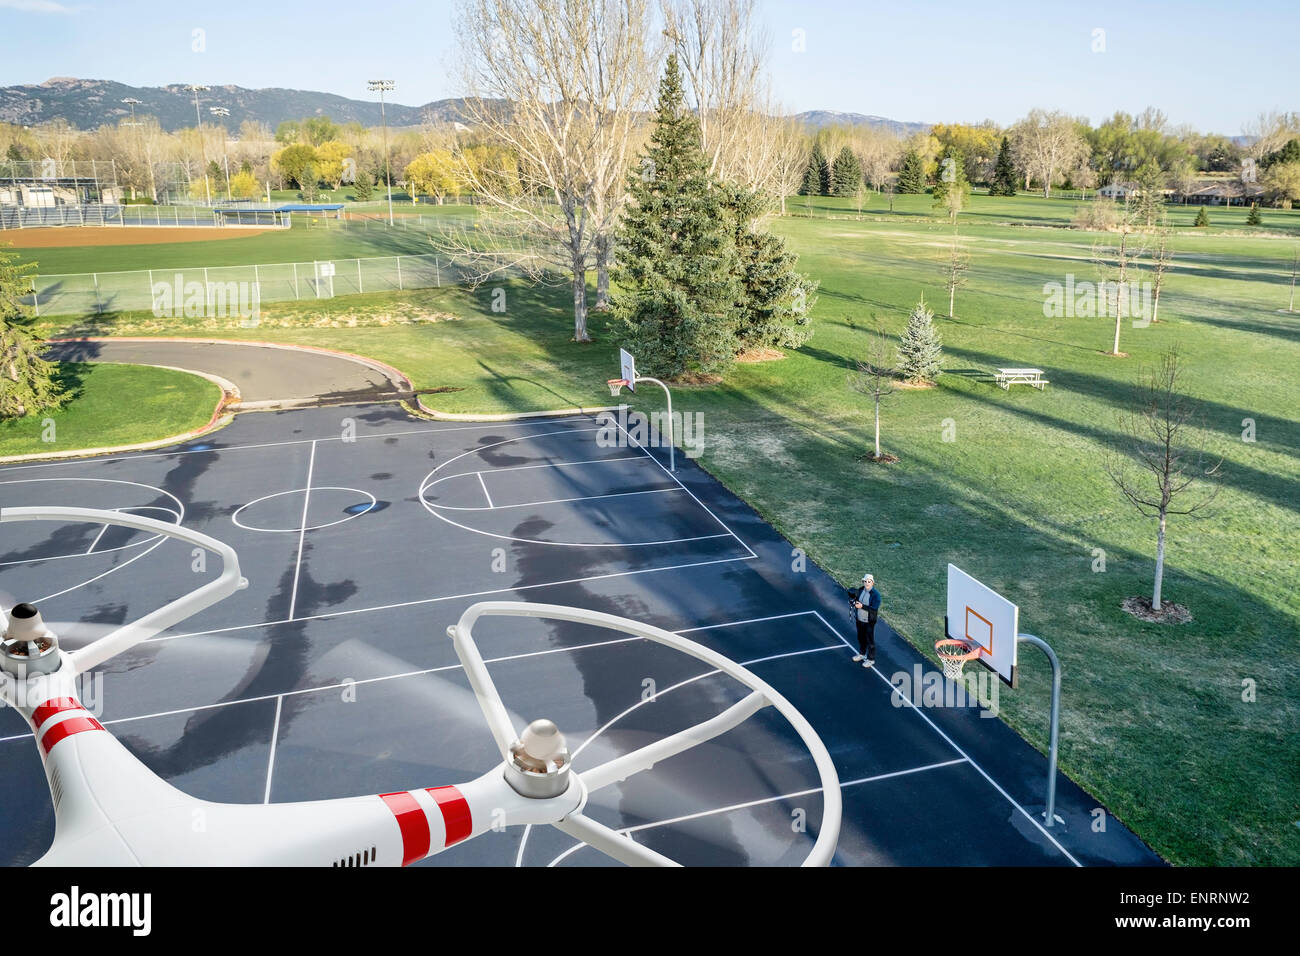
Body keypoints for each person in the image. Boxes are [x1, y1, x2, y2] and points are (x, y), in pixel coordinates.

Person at [848, 573, 881, 668]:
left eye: (869, 581)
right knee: (861, 637)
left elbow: (874, 609)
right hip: (859, 619)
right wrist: (853, 602)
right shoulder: (861, 589)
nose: (867, 583)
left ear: (872, 583)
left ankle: (871, 659)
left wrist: (862, 606)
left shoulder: (876, 595)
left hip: (869, 621)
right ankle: (862, 654)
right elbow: (856, 599)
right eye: (865, 581)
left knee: (869, 640)